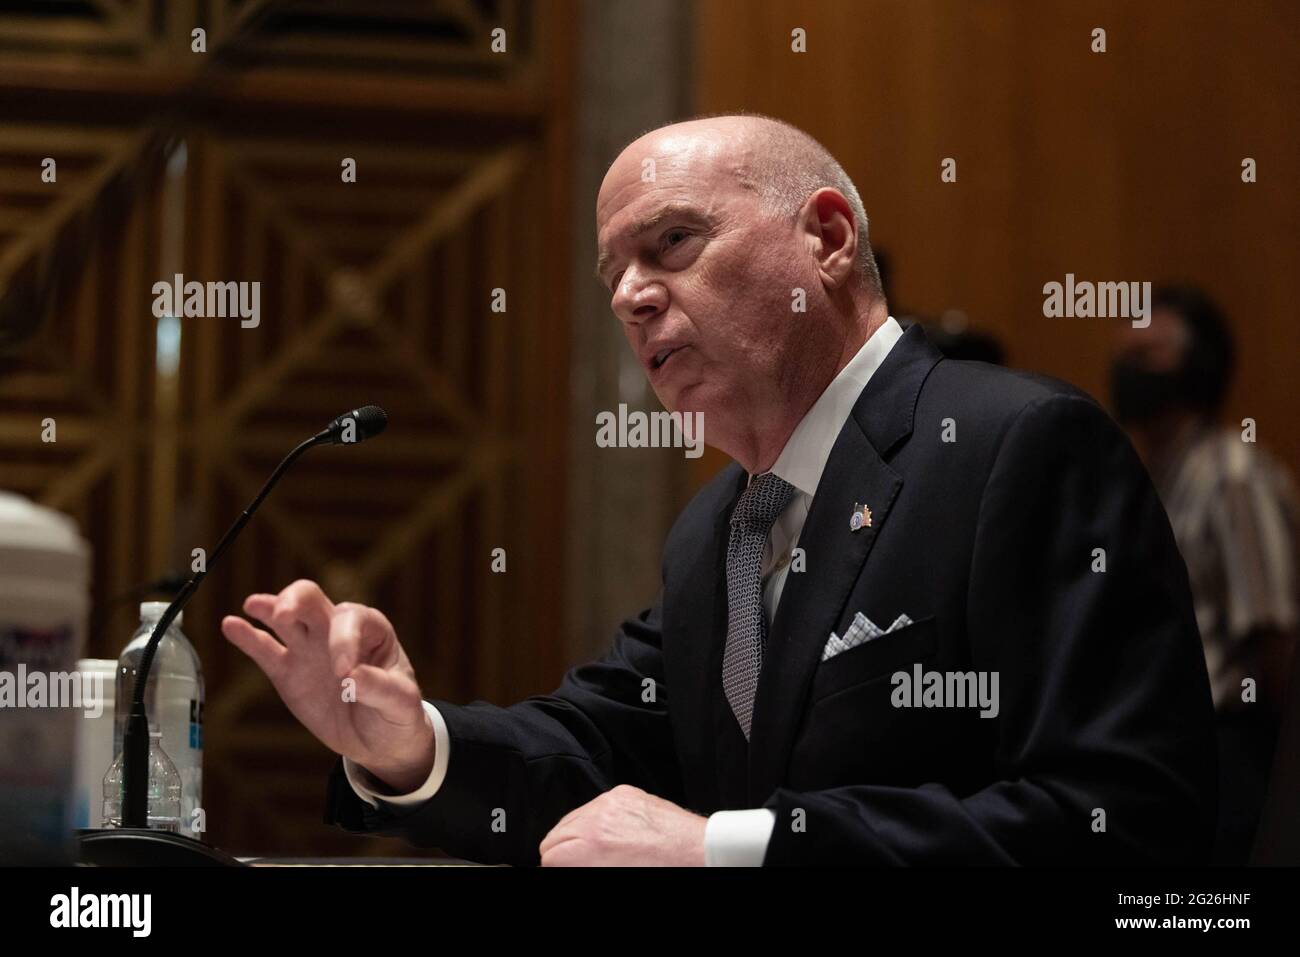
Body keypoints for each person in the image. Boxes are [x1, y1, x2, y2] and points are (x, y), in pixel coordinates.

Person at [222, 114, 1216, 865]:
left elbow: (1127, 820)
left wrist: (730, 850)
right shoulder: (719, 529)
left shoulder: (1017, 447)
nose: (630, 296)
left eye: (670, 245)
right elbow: (603, 745)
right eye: (613, 272)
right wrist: (408, 740)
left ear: (826, 238)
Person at [1110, 284, 1299, 864]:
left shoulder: (1233, 476)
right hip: (1166, 750)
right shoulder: (1156, 477)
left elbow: (1277, 643)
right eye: (1125, 355)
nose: (1127, 370)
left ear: (1195, 370)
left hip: (1231, 748)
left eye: (1148, 356)